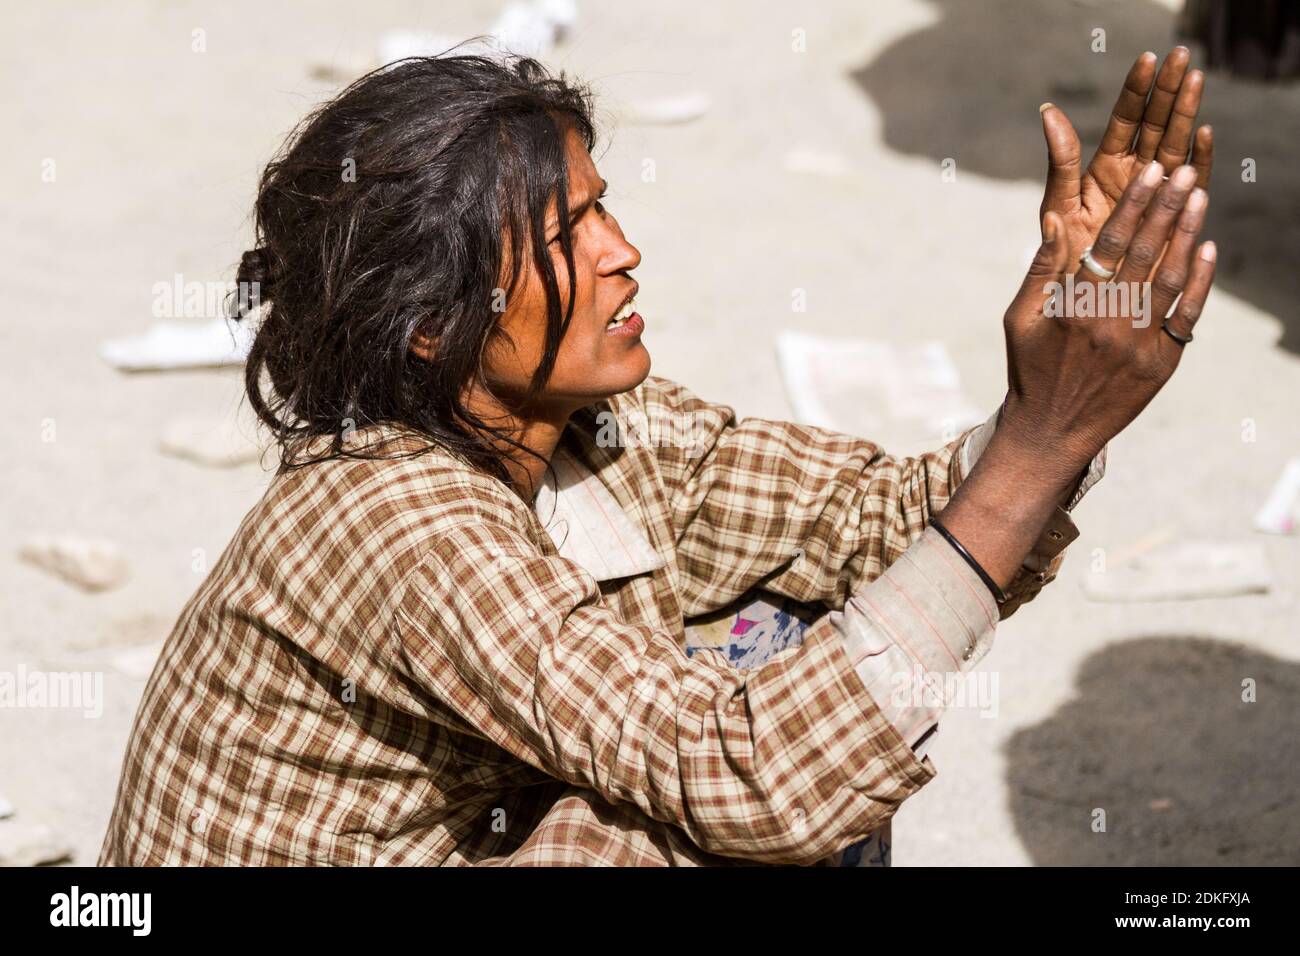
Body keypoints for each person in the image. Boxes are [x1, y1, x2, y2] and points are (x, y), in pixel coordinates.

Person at [99, 48, 1216, 866]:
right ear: (429, 324)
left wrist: (1062, 399)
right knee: (708, 812)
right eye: (565, 234)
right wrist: (1042, 436)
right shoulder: (397, 518)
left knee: (790, 639)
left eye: (603, 209)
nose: (623, 252)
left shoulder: (595, 431)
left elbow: (880, 522)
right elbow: (751, 775)